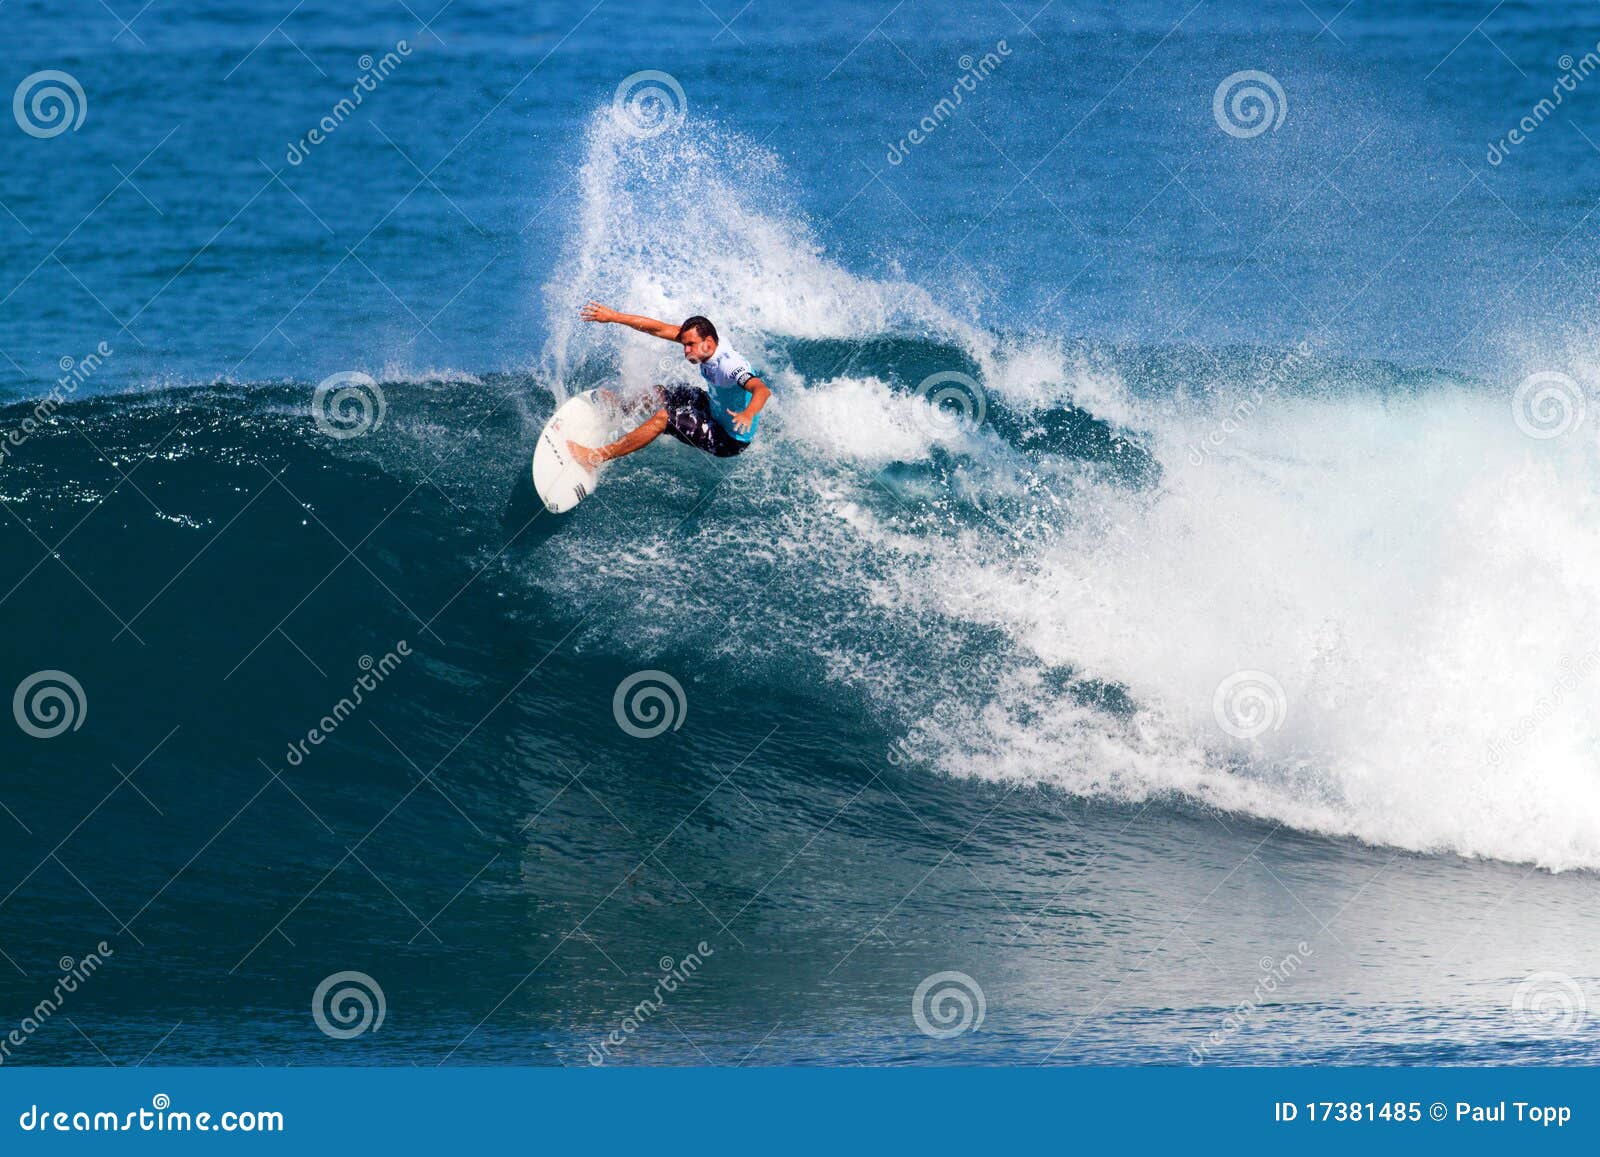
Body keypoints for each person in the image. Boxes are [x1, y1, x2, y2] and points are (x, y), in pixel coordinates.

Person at [565, 302, 771, 469]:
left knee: (664, 418)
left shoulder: (728, 365)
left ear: (708, 343)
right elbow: (660, 329)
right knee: (659, 392)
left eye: (690, 345)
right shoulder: (712, 343)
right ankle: (622, 408)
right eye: (684, 344)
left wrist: (749, 414)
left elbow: (761, 389)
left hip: (729, 438)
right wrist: (614, 317)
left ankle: (596, 457)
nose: (685, 350)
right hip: (714, 408)